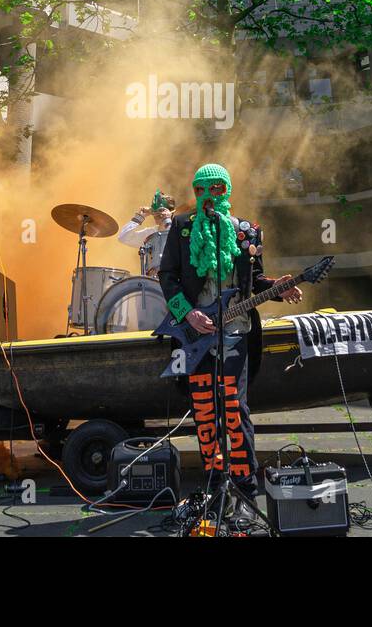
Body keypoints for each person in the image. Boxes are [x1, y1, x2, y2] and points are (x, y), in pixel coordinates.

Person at [157, 163, 302, 511]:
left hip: (236, 332)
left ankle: (245, 488)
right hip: (195, 333)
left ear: (227, 191)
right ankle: (214, 484)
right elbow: (168, 276)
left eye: (216, 188)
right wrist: (188, 312)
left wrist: (279, 290)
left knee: (234, 409)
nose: (208, 196)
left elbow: (257, 282)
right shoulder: (182, 227)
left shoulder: (247, 232)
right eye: (201, 189)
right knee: (205, 410)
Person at [117, 190, 174, 277]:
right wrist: (140, 217)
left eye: (162, 211)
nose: (158, 215)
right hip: (153, 282)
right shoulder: (151, 233)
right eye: (157, 212)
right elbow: (123, 237)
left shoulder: (180, 230)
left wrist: (167, 220)